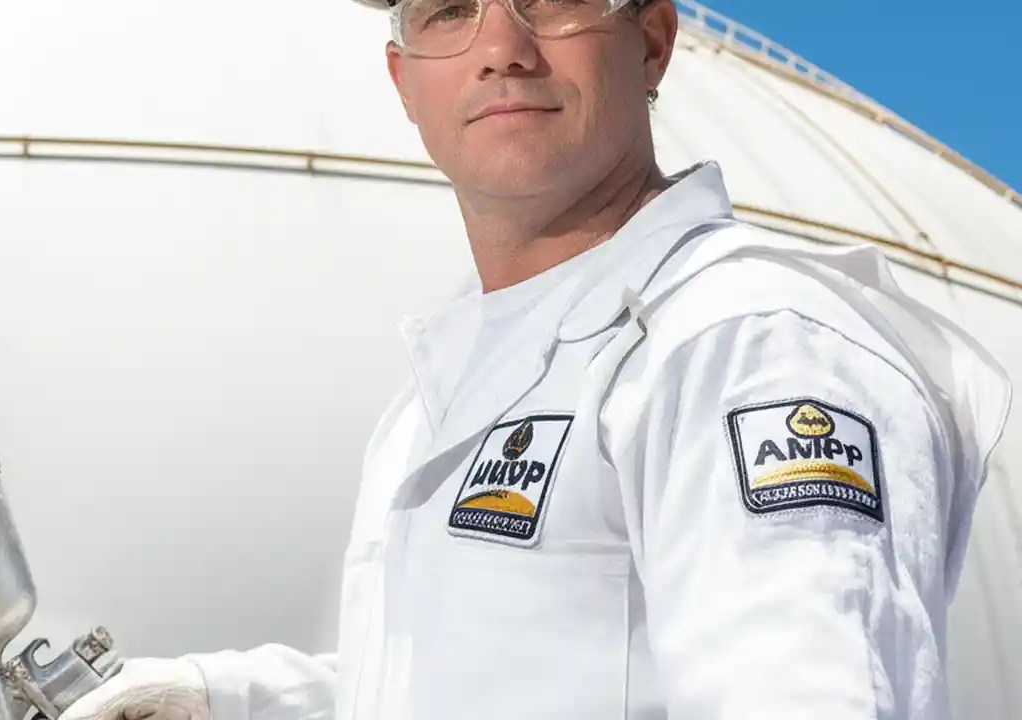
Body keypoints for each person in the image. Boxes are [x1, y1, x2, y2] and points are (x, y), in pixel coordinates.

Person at [61, 0, 1011, 718]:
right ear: (403, 83)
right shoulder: (448, 387)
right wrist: (223, 695)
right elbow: (469, 671)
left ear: (651, 43)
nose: (501, 47)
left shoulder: (738, 341)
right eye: (449, 10)